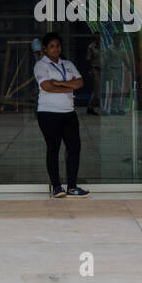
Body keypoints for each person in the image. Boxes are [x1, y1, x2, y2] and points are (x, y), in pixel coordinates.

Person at [34, 32, 90, 198]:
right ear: (44, 49)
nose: (56, 49)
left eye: (58, 45)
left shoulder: (68, 63)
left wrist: (58, 82)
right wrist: (68, 86)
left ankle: (72, 187)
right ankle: (57, 187)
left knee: (74, 149)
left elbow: (79, 82)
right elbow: (46, 86)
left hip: (69, 113)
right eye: (52, 46)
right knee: (53, 149)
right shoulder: (40, 65)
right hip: (48, 114)